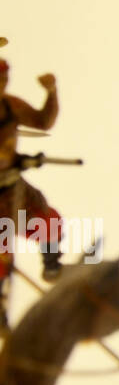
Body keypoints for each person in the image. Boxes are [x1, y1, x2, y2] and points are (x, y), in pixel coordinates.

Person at [0, 61, 61, 334]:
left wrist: (51, 92)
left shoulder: (10, 106)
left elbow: (42, 121)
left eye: (3, 79)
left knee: (45, 218)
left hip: (14, 186)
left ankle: (51, 265)